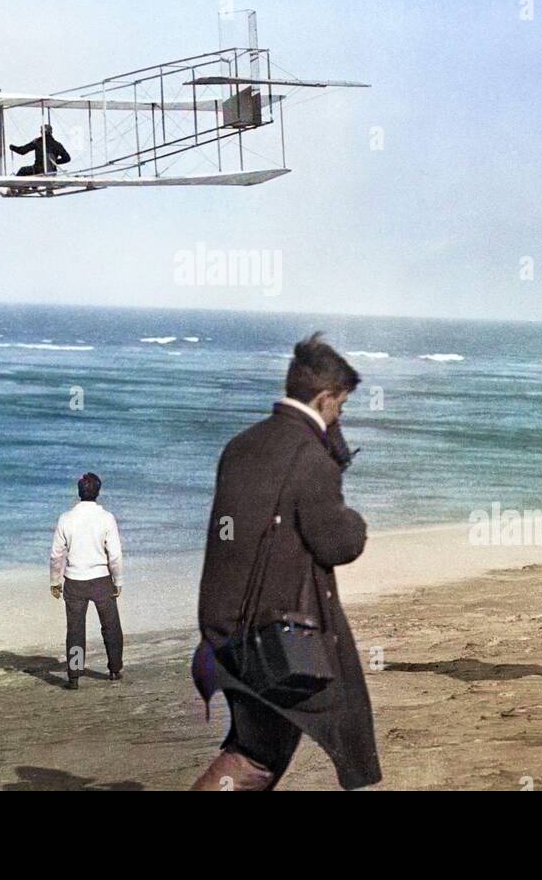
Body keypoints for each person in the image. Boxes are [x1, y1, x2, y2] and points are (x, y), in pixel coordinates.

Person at [190, 334, 380, 791]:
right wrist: (355, 521)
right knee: (256, 757)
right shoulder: (310, 457)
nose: (341, 415)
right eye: (341, 405)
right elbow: (335, 543)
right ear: (325, 397)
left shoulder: (242, 444)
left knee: (256, 744)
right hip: (278, 639)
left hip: (225, 627)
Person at [49, 473, 123, 689]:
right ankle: (115, 669)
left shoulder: (66, 518)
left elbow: (56, 555)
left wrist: (55, 581)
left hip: (74, 581)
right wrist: (118, 580)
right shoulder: (106, 518)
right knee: (110, 627)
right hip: (101, 580)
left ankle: (74, 676)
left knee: (75, 630)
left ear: (79, 491)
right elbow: (115, 555)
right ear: (98, 492)